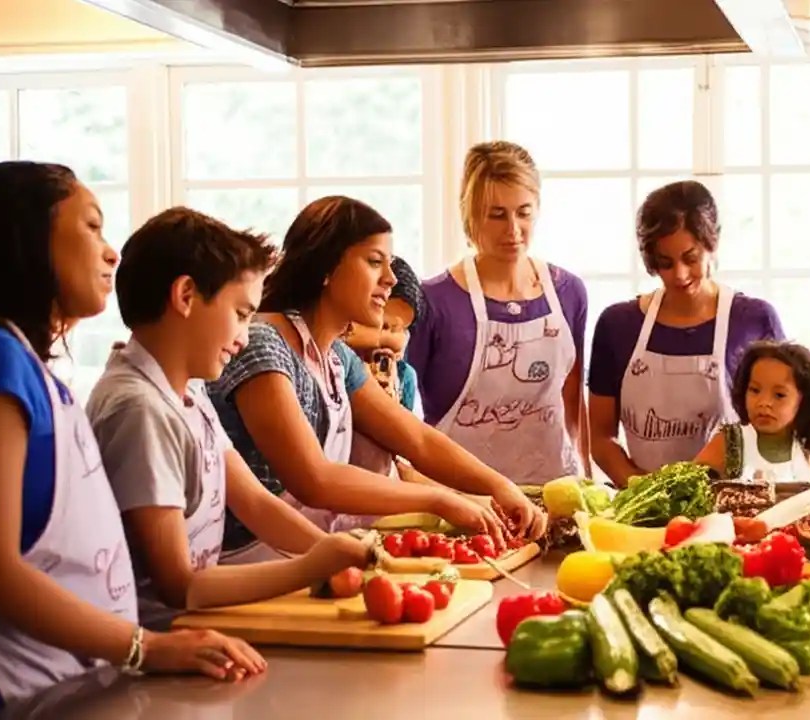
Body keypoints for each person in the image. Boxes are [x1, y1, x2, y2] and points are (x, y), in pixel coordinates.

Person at [0, 162, 263, 717]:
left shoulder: (21, 361)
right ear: (29, 234)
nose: (111, 253)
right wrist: (146, 647)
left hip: (66, 683)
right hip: (8, 690)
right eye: (92, 227)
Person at [207, 195, 544, 564]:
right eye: (374, 262)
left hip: (307, 557)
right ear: (326, 266)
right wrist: (441, 500)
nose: (391, 279)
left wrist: (500, 487)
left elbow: (417, 440)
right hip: (245, 565)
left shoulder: (337, 358)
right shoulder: (263, 344)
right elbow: (313, 480)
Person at [86, 207, 372, 629]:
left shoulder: (189, 390)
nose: (244, 337)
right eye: (240, 314)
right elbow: (178, 584)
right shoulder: (139, 409)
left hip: (197, 624)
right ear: (185, 296)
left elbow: (255, 502)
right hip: (160, 639)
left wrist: (341, 556)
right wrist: (308, 567)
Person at [408, 141, 589, 487]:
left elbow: (572, 399)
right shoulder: (433, 301)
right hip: (462, 496)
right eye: (497, 215)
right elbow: (399, 413)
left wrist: (586, 479)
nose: (513, 229)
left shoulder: (569, 292)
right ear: (471, 215)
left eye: (523, 212)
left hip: (553, 489)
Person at [588, 180, 785, 487]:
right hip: (642, 501)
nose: (679, 275)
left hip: (732, 503)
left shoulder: (754, 320)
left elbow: (785, 422)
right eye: (665, 263)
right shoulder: (617, 325)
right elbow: (601, 438)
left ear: (712, 242)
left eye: (690, 258)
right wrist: (646, 492)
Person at [694, 340, 810, 483]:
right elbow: (690, 486)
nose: (764, 403)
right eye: (755, 390)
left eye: (779, 395)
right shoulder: (730, 441)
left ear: (804, 400)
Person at [345, 256, 424, 413]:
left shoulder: (403, 377)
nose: (392, 345)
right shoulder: (332, 365)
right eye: (383, 326)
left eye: (402, 330)